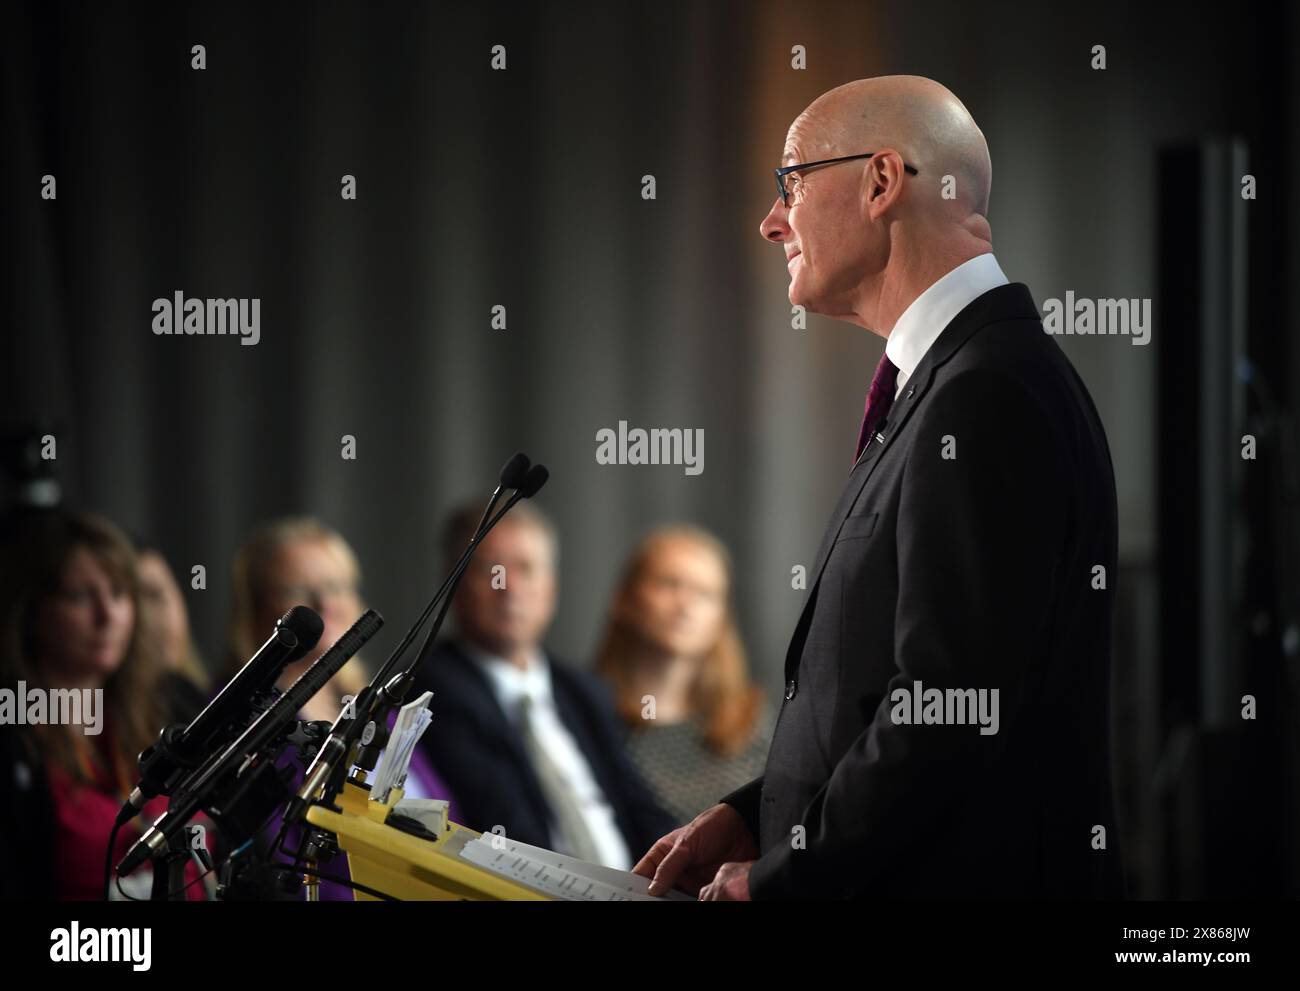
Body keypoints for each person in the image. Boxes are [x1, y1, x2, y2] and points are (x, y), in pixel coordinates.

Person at [635, 75, 1125, 899]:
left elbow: (949, 711)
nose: (771, 220)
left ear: (881, 181)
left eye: (790, 182)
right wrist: (759, 813)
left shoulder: (989, 392)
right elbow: (876, 695)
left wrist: (783, 877)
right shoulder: (949, 382)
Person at [413, 501, 674, 869]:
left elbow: (640, 808)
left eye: (527, 569)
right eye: (492, 569)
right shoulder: (433, 693)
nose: (510, 588)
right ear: (453, 583)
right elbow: (503, 829)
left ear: (551, 587)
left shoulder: (584, 690)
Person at [226, 516, 458, 897]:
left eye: (336, 586)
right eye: (299, 589)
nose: (325, 604)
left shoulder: (380, 710)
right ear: (255, 605)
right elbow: (281, 865)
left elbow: (450, 821)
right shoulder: (241, 722)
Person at [0, 509, 210, 900]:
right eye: (80, 597)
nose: (108, 616)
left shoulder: (176, 700)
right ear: (32, 611)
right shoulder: (12, 731)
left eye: (120, 594)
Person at [594, 525, 772, 825]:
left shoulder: (751, 722)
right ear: (624, 599)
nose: (686, 605)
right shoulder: (582, 713)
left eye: (705, 593)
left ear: (721, 618)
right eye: (669, 584)